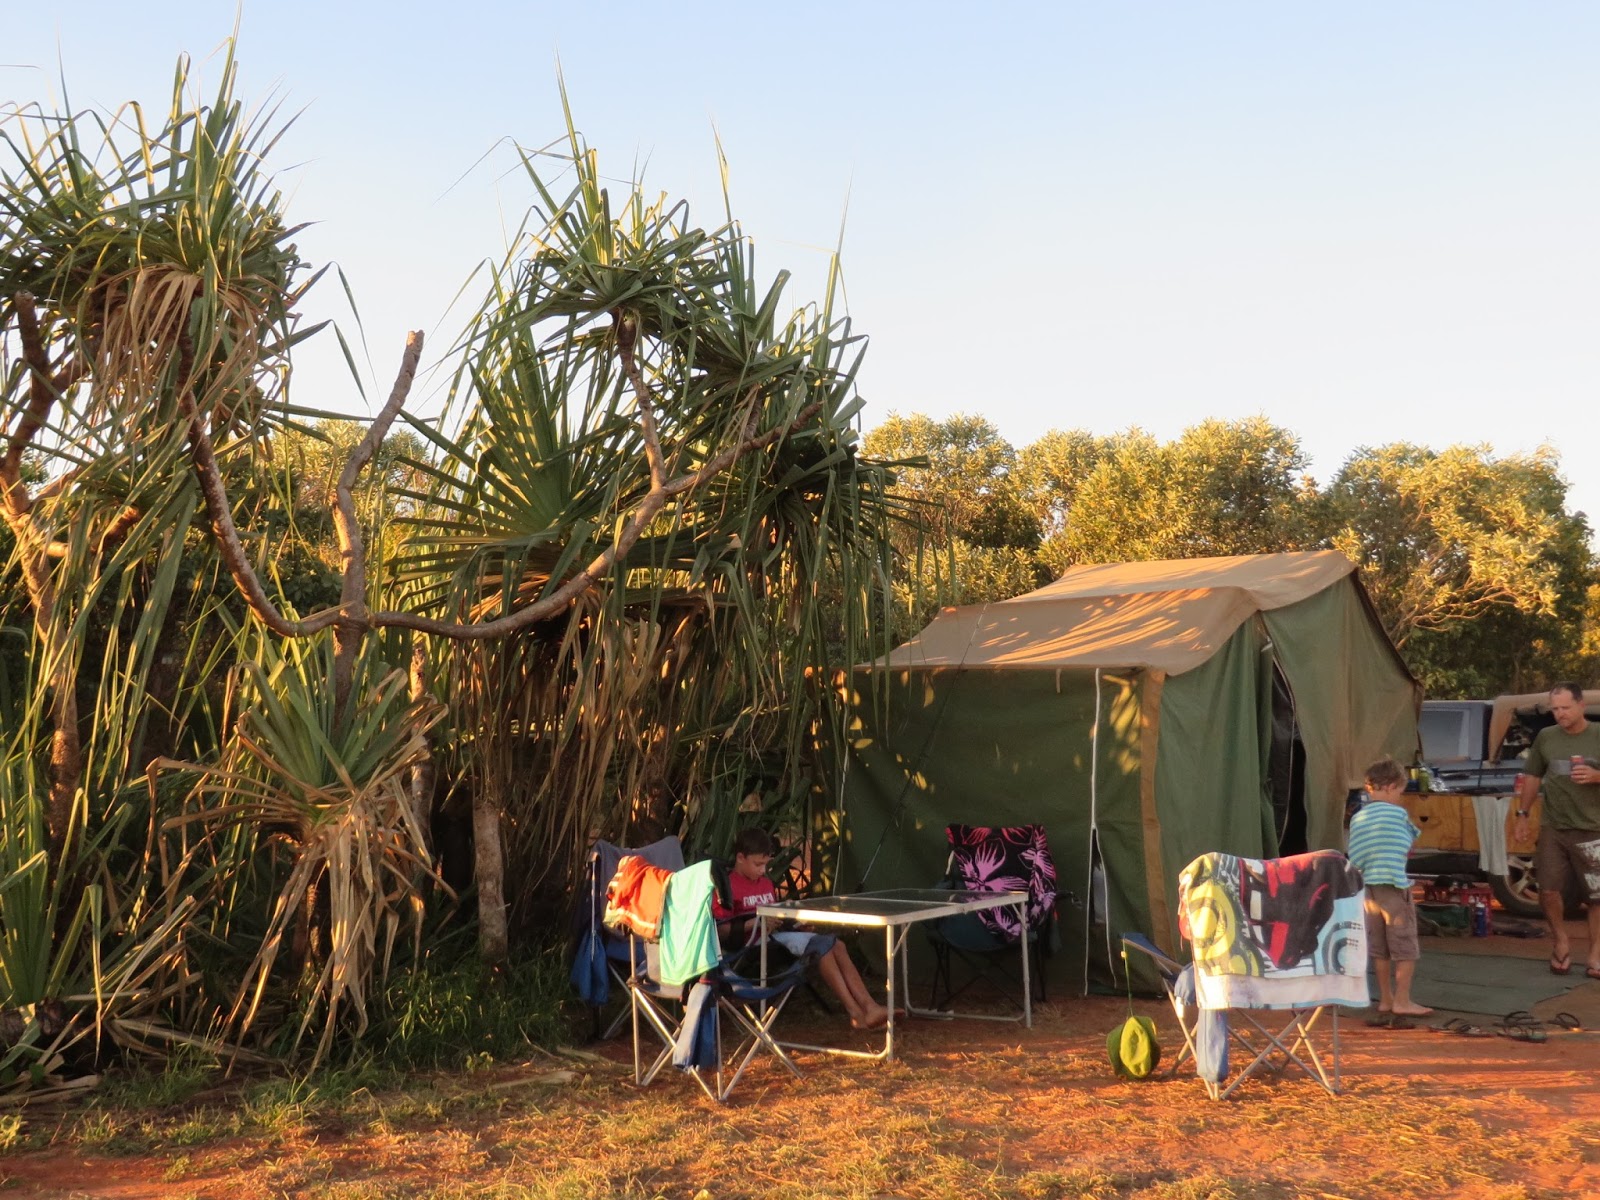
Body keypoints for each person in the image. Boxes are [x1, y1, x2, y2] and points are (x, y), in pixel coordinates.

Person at [713, 828, 892, 1030]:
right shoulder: (726, 886)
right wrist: (757, 923)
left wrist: (795, 924)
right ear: (740, 858)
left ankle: (868, 1007)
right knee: (822, 945)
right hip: (749, 947)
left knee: (837, 945)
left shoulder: (764, 883)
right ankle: (855, 1012)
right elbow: (721, 931)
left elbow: (776, 918)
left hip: (775, 939)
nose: (763, 870)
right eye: (758, 864)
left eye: (766, 864)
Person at [1511, 682, 1600, 978]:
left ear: (1580, 706)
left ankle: (1595, 955)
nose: (1560, 714)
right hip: (1554, 827)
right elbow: (1533, 776)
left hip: (1593, 828)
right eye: (1555, 709)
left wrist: (1597, 775)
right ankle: (1560, 942)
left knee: (1597, 897)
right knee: (1548, 891)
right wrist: (1522, 815)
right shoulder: (1546, 737)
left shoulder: (1598, 735)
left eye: (1565, 708)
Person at [1347, 757, 1432, 1022]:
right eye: (1399, 792)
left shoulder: (1359, 817)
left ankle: (1385, 998)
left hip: (1368, 889)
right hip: (1393, 886)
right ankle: (1403, 1000)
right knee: (1405, 945)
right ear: (1392, 786)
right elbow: (1409, 840)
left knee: (1380, 946)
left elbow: (1356, 855)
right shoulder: (1397, 814)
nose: (1399, 797)